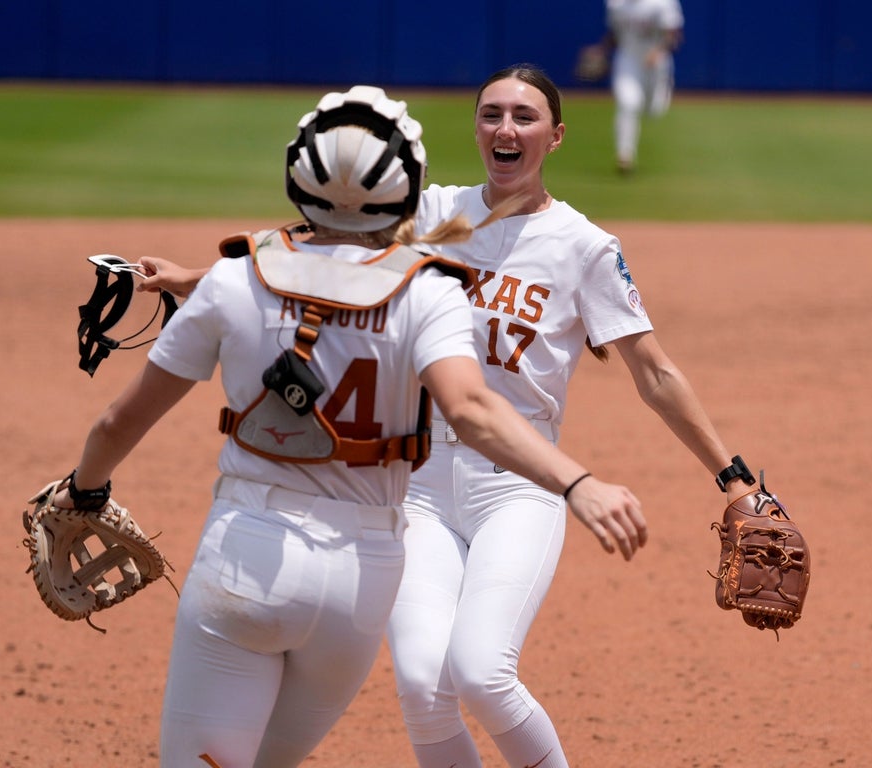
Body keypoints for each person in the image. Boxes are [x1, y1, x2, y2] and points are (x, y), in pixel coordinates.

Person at [139, 66, 757, 768]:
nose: (505, 128)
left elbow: (656, 372)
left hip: (517, 486)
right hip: (421, 488)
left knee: (482, 674)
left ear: (554, 136)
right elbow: (320, 235)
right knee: (421, 686)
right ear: (476, 128)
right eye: (491, 113)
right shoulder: (434, 214)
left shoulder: (583, 247)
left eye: (524, 117)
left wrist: (731, 477)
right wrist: (198, 276)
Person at [603, 0, 684, 173]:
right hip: (627, 61)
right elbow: (616, 34)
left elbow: (674, 35)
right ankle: (625, 156)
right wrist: (601, 50)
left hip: (656, 63)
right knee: (628, 104)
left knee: (654, 111)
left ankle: (665, 87)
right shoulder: (615, 5)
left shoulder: (662, 3)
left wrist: (658, 51)